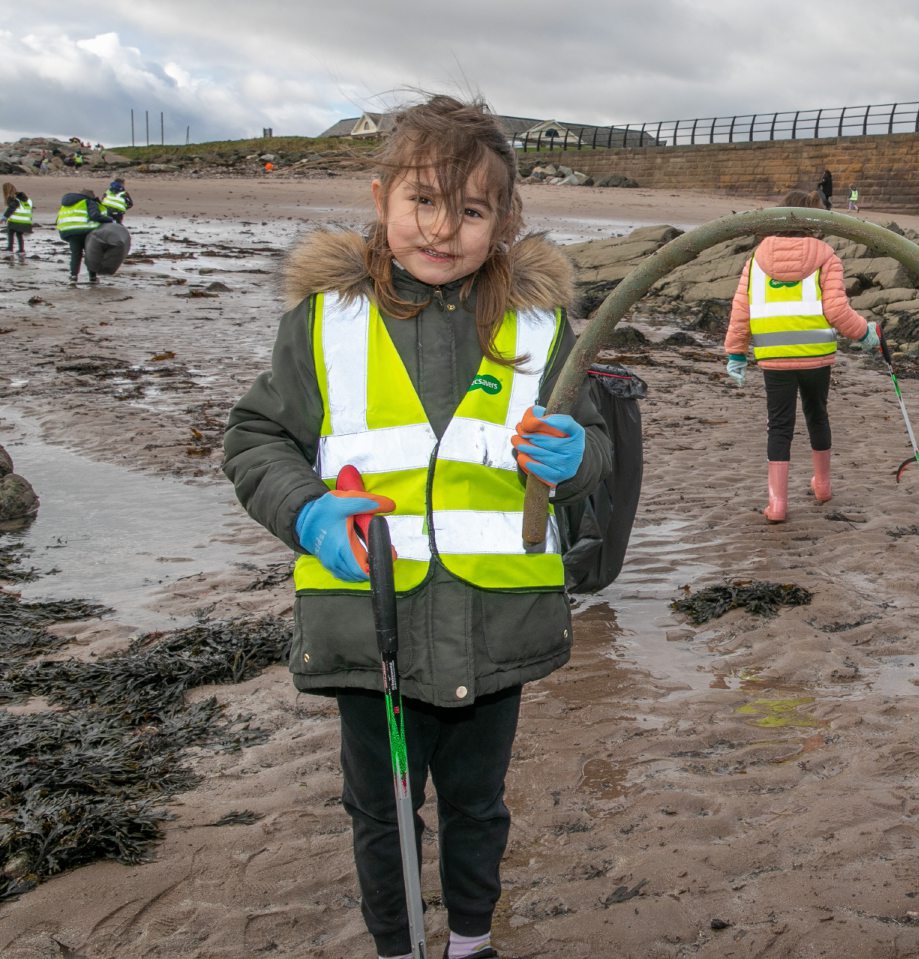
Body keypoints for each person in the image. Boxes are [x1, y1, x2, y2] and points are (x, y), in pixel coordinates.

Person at [222, 94, 613, 959]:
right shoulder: (324, 321)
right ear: (380, 199)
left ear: (504, 217)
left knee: (479, 805)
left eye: (471, 210)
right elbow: (255, 439)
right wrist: (308, 511)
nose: (443, 229)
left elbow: (595, 466)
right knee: (382, 808)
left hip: (496, 627)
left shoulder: (544, 327)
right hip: (369, 627)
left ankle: (470, 944)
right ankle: (396, 947)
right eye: (423, 202)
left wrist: (574, 458)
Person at [723, 189, 879, 522]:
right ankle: (822, 486)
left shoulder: (755, 261)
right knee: (817, 414)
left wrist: (736, 354)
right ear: (815, 220)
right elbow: (837, 310)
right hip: (816, 354)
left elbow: (741, 311)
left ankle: (777, 504)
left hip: (773, 356)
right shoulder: (826, 255)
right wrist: (865, 333)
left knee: (779, 426)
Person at [55, 188, 112, 283]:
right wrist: (109, 220)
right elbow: (94, 216)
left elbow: (58, 220)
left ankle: (73, 276)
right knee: (90, 254)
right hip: (86, 231)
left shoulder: (66, 204)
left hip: (69, 232)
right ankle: (92, 277)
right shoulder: (88, 202)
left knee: (75, 254)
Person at [2, 183, 33, 255]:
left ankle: (10, 248)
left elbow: (11, 208)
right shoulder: (26, 199)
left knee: (10, 232)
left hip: (16, 220)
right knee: (19, 235)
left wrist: (4, 217)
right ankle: (21, 250)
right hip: (26, 222)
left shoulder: (12, 198)